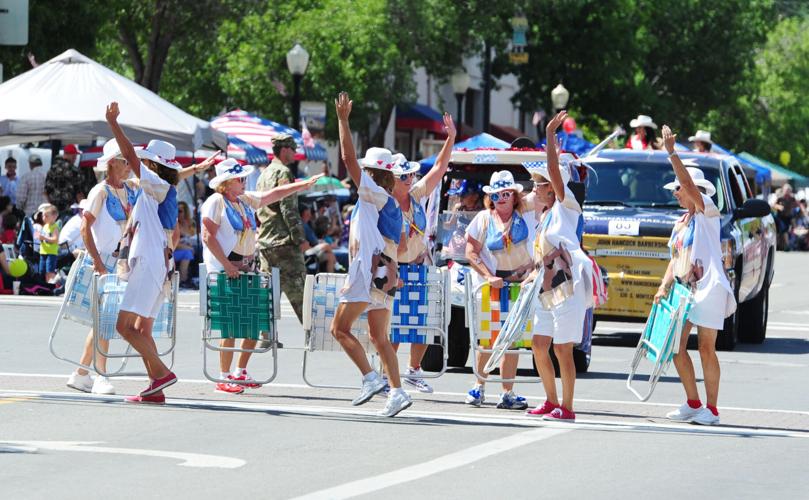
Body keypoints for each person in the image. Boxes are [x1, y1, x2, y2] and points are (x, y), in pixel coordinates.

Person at [201, 159, 321, 394]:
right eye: (239, 179)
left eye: (244, 178)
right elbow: (208, 236)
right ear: (225, 183)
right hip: (228, 270)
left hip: (247, 268)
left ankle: (240, 372)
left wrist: (301, 184)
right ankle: (224, 377)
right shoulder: (216, 201)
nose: (244, 181)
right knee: (231, 327)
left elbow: (272, 195)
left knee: (253, 323)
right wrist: (226, 265)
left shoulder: (243, 200)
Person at [331, 91, 411, 417]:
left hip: (368, 268)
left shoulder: (373, 192)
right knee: (379, 336)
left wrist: (343, 120)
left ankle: (370, 378)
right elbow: (402, 245)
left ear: (371, 172)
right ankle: (397, 391)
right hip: (386, 271)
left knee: (340, 329)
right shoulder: (391, 201)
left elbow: (349, 160)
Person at [656, 124, 737, 426]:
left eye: (679, 188)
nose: (677, 193)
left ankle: (712, 410)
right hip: (684, 289)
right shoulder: (682, 222)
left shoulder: (708, 210)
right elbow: (675, 259)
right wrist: (663, 287)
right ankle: (693, 402)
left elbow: (688, 185)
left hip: (709, 287)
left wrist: (672, 152)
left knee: (706, 347)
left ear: (695, 191)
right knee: (675, 346)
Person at [105, 101, 181, 405]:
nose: (139, 165)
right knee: (140, 328)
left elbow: (133, 157)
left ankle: (162, 374)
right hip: (159, 264)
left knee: (124, 326)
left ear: (155, 166)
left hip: (149, 263)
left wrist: (113, 124)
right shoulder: (163, 188)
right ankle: (155, 387)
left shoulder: (156, 184)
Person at [522, 110, 593, 422]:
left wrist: (550, 136)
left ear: (553, 187)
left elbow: (552, 168)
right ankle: (551, 400)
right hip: (546, 289)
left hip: (566, 288)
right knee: (539, 345)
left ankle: (567, 406)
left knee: (563, 350)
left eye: (539, 184)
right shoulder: (547, 215)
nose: (535, 188)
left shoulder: (566, 207)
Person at [388, 113, 456, 394]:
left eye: (410, 174)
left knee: (423, 322)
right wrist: (391, 269)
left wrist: (450, 138)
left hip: (418, 266)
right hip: (392, 269)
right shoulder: (385, 204)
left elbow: (439, 168)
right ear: (390, 179)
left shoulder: (415, 196)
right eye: (403, 175)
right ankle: (384, 374)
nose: (409, 179)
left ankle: (413, 371)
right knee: (391, 327)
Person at [65, 139, 135, 396]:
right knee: (106, 320)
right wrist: (96, 262)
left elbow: (159, 183)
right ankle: (99, 375)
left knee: (104, 320)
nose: (129, 166)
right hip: (103, 261)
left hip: (119, 262)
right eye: (124, 160)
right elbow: (85, 227)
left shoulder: (129, 189)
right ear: (111, 164)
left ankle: (82, 373)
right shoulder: (100, 191)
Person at [464, 169, 535, 410]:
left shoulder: (526, 214)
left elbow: (547, 189)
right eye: (496, 195)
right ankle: (479, 387)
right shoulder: (483, 219)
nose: (501, 198)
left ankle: (507, 391)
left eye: (506, 193)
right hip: (492, 285)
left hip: (520, 285)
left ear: (515, 195)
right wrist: (488, 276)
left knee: (512, 341)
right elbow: (470, 252)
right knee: (488, 338)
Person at [256, 133, 307, 323]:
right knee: (301, 295)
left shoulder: (263, 174)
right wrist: (300, 239)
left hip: (266, 243)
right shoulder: (283, 173)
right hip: (284, 243)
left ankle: (264, 335)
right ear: (284, 149)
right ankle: (314, 334)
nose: (295, 153)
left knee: (268, 295)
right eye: (293, 149)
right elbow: (289, 209)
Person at [45, 144, 86, 218]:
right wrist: (83, 208)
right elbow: (79, 193)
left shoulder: (52, 169)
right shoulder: (74, 171)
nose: (75, 158)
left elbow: (46, 191)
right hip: (69, 211)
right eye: (74, 155)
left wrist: (51, 206)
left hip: (53, 212)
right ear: (70, 155)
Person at [300, 203, 337, 272]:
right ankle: (337, 264)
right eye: (307, 214)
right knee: (326, 245)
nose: (310, 216)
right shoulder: (303, 225)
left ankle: (330, 278)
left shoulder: (307, 224)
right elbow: (314, 242)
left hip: (309, 249)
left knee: (330, 256)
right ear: (302, 215)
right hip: (306, 252)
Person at [34, 203, 60, 282]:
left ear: (54, 216)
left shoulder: (54, 227)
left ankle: (52, 285)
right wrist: (38, 236)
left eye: (46, 216)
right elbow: (42, 238)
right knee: (42, 270)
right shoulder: (45, 226)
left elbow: (55, 239)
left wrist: (44, 237)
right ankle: (46, 286)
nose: (44, 218)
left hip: (51, 252)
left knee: (50, 270)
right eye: (43, 216)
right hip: (43, 252)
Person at [175, 201, 197, 288]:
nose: (178, 213)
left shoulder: (191, 223)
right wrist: (188, 247)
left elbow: (194, 237)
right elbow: (174, 244)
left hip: (191, 248)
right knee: (187, 253)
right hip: (174, 251)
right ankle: (183, 280)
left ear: (186, 212)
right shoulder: (174, 224)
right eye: (176, 211)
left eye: (180, 211)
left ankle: (195, 277)